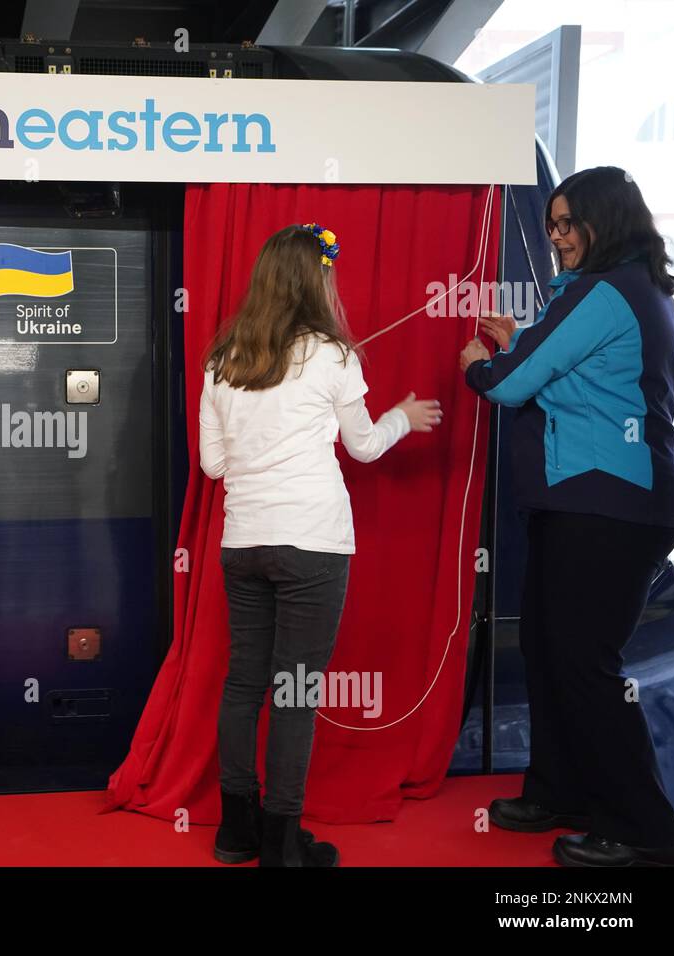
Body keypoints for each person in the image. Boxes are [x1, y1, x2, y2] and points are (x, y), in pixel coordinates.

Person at [461, 166, 674, 867]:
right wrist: (525, 340)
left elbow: (512, 382)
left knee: (584, 664)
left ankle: (645, 831)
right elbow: (575, 376)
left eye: (566, 225)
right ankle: (561, 792)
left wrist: (480, 362)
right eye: (551, 224)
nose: (555, 237)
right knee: (552, 655)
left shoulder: (605, 290)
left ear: (604, 222)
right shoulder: (623, 290)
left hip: (607, 503)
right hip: (585, 500)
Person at [200, 223, 442, 866]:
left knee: (245, 684)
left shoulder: (223, 358)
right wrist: (401, 418)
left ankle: (235, 832)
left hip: (243, 542)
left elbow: (212, 465)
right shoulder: (335, 356)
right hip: (310, 541)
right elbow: (362, 446)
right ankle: (282, 846)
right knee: (296, 693)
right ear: (317, 279)